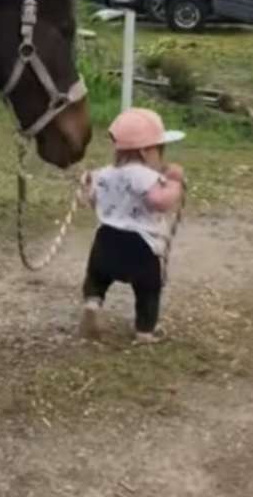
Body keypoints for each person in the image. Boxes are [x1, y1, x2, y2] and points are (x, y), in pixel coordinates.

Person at [79, 108, 186, 345]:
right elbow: (160, 203)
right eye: (160, 150)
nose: (162, 156)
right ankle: (144, 331)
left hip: (105, 239)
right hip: (140, 246)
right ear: (146, 151)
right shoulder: (143, 176)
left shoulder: (104, 174)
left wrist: (88, 187)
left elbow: (88, 199)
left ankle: (92, 303)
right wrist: (175, 183)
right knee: (149, 287)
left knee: (96, 277)